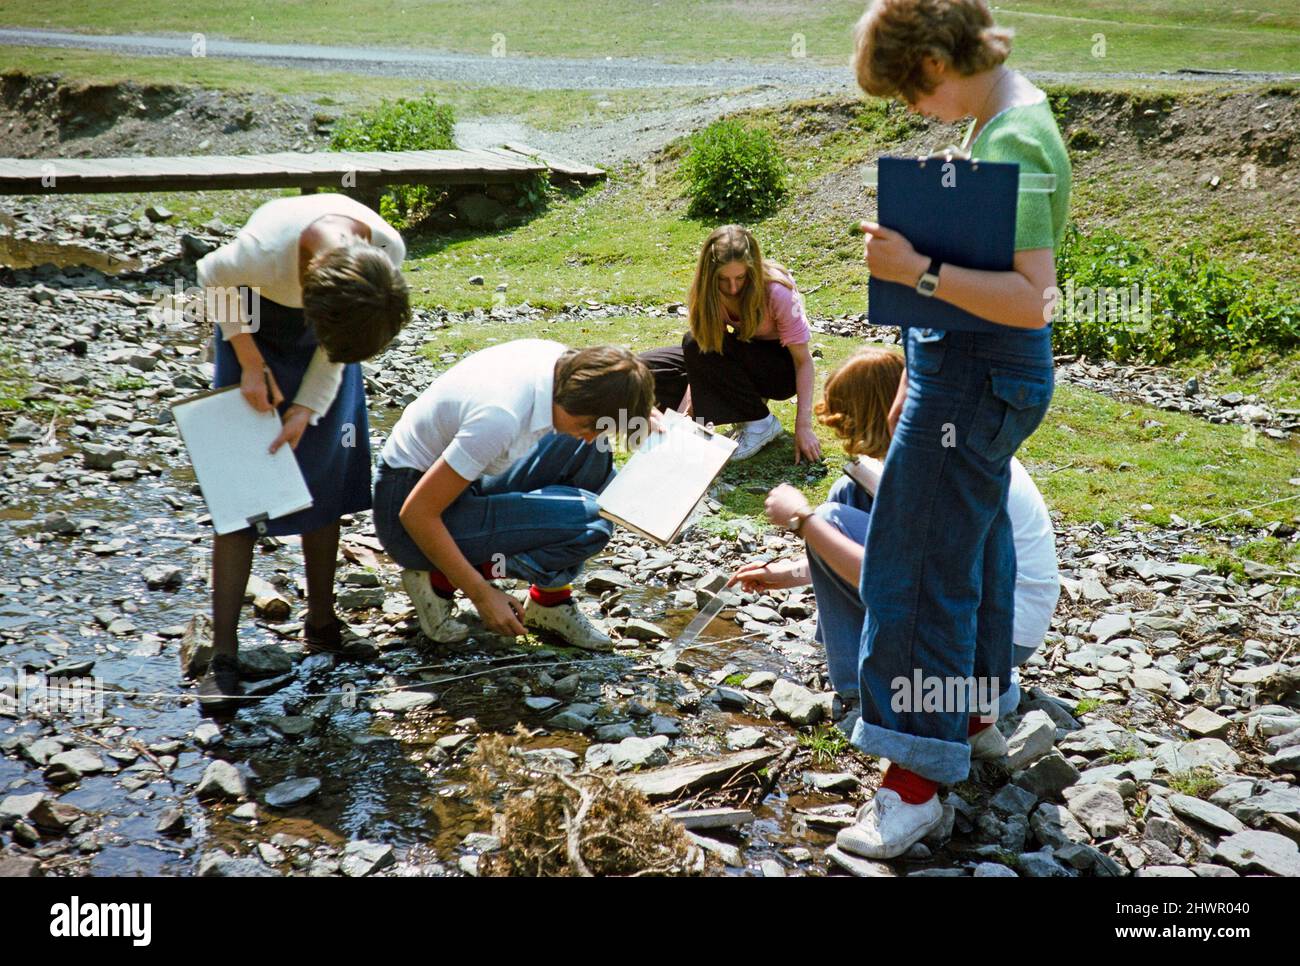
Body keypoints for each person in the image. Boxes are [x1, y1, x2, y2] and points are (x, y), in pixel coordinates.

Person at [836, 0, 1072, 858]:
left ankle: (914, 781)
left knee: (916, 567)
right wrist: (916, 370)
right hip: (960, 377)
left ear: (935, 62)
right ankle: (972, 713)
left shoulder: (1013, 139)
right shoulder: (1005, 118)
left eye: (908, 92)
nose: (911, 111)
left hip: (979, 378)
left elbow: (1032, 298)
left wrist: (915, 272)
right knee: (969, 547)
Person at [729, 346, 1060, 734]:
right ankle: (864, 660)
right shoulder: (939, 434)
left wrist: (804, 521)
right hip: (984, 606)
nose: (847, 439)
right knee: (848, 490)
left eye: (849, 425)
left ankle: (867, 689)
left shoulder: (938, 466)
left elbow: (889, 576)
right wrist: (787, 573)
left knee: (830, 518)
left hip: (1000, 635)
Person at [194, 192, 411, 713]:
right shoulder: (263, 250)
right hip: (249, 325)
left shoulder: (382, 257)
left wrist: (305, 410)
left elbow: (337, 352)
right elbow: (209, 277)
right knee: (241, 492)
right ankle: (222, 655)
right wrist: (248, 361)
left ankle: (322, 623)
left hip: (333, 342)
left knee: (324, 479)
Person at [373, 339, 655, 651]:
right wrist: (481, 594)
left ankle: (550, 603)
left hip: (460, 483)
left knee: (592, 455)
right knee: (593, 524)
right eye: (587, 425)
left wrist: (639, 412)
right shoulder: (499, 416)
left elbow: (615, 389)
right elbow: (416, 514)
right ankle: (439, 581)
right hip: (408, 519)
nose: (590, 435)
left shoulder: (562, 364)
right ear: (573, 398)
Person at [640, 225, 822, 463]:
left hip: (780, 371)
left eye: (741, 278)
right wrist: (686, 415)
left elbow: (803, 361)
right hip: (742, 354)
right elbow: (703, 352)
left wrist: (804, 426)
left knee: (693, 342)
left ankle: (760, 423)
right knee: (646, 368)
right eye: (723, 280)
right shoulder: (706, 292)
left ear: (753, 270)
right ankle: (694, 419)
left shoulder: (777, 292)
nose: (733, 288)